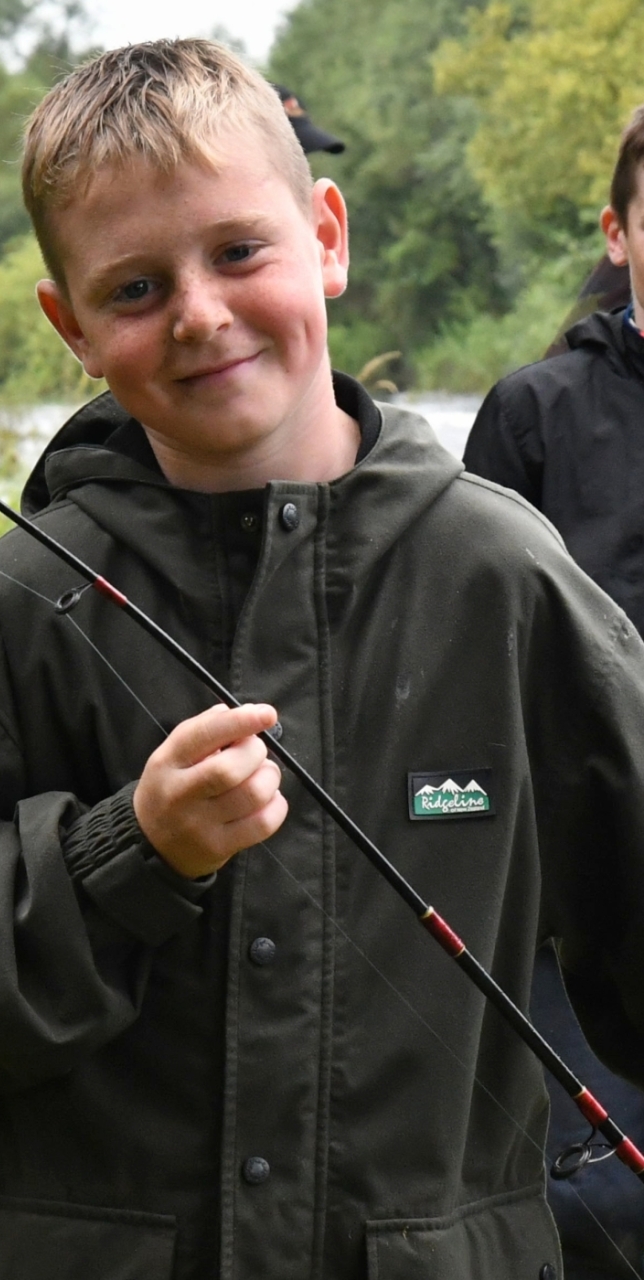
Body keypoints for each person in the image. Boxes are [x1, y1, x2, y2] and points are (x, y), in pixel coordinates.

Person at [0, 40, 644, 1279]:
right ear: (73, 327)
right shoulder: (29, 595)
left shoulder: (505, 575)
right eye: (138, 287)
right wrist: (126, 857)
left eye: (238, 251)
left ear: (326, 235)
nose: (200, 313)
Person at [462, 104, 644, 1280]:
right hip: (588, 902)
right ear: (619, 233)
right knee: (604, 1210)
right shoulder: (534, 413)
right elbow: (471, 671)